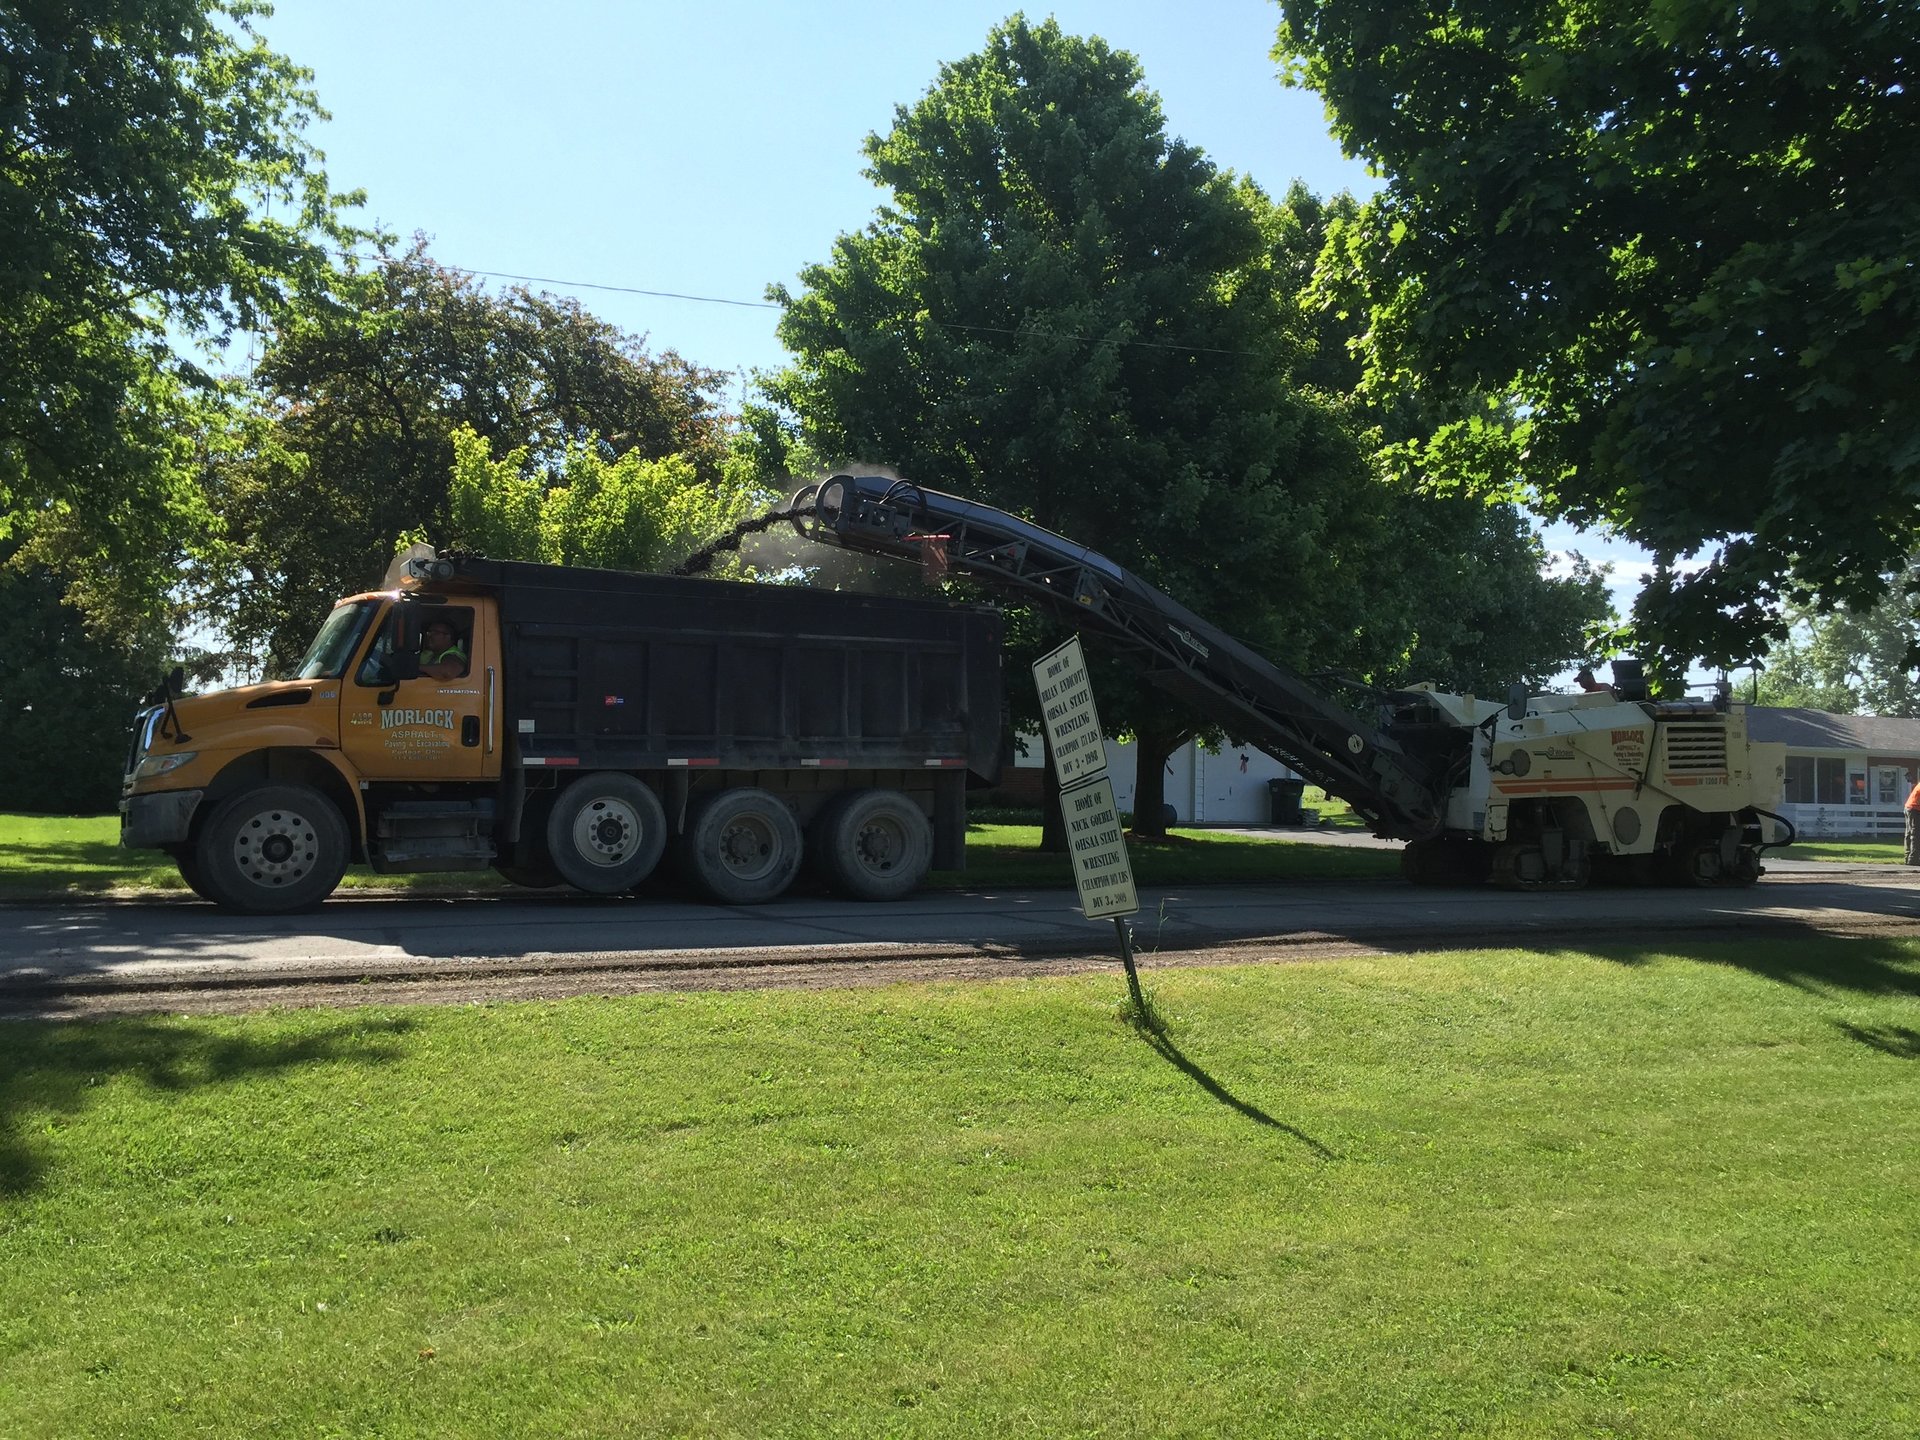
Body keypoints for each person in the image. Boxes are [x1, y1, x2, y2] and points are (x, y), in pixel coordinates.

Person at [1905, 770, 1920, 867]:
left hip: (1910, 807)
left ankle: (1908, 857)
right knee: (1915, 833)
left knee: (1909, 833)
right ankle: (1913, 858)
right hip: (1914, 808)